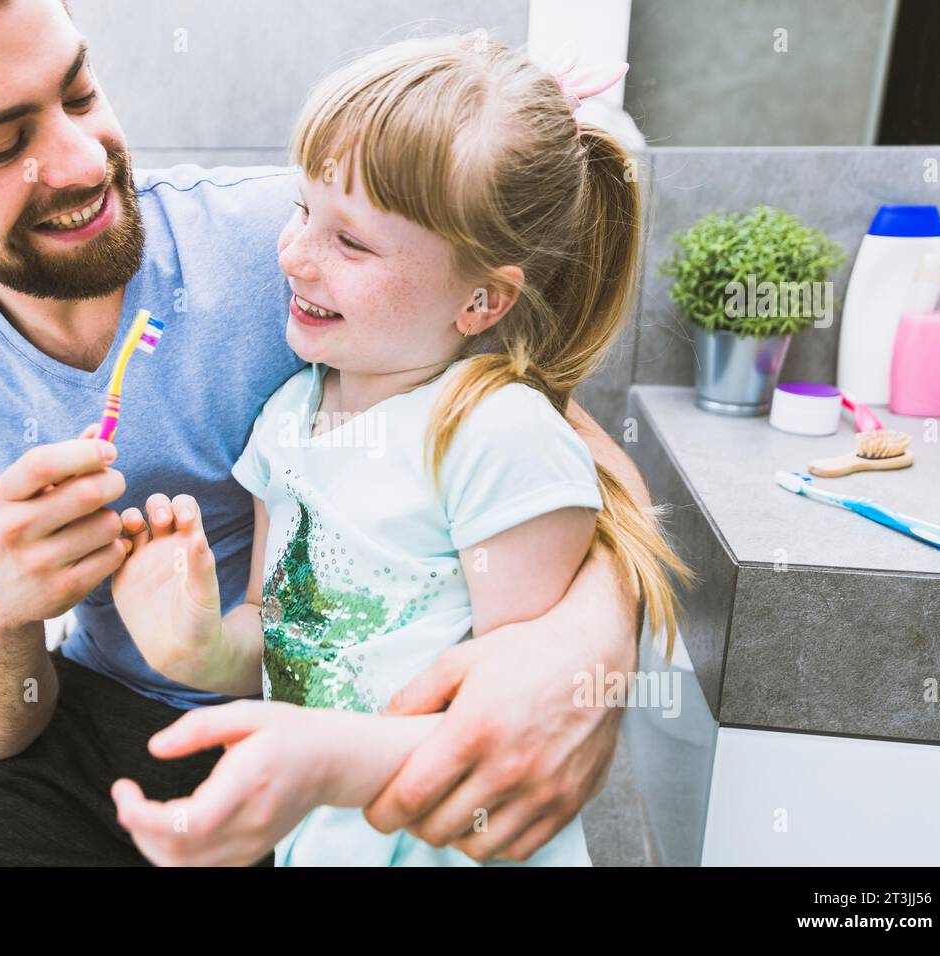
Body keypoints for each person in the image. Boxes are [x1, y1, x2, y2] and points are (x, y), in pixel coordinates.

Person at [0, 0, 659, 865]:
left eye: (79, 93)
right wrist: (2, 605)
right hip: (104, 737)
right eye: (0, 145)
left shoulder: (296, 245)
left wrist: (580, 653)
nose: (82, 161)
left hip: (346, 752)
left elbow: (571, 453)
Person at [107, 33, 690, 866]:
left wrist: (322, 767)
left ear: (483, 298)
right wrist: (191, 643)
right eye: (303, 209)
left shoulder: (495, 436)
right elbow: (285, 645)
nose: (295, 252)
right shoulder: (285, 422)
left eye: (352, 241)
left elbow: (511, 726)